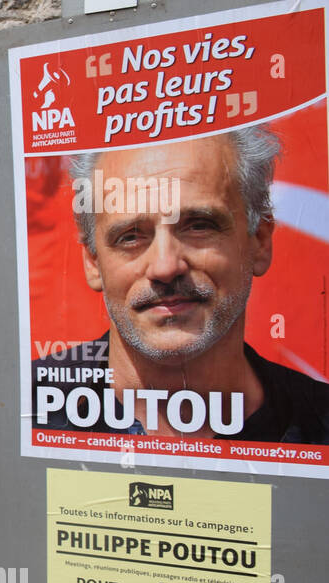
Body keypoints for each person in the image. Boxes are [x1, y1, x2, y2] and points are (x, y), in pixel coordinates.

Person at [33, 126, 329, 442]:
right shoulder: (13, 412)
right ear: (93, 262)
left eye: (199, 226)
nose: (165, 266)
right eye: (131, 235)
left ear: (260, 241)